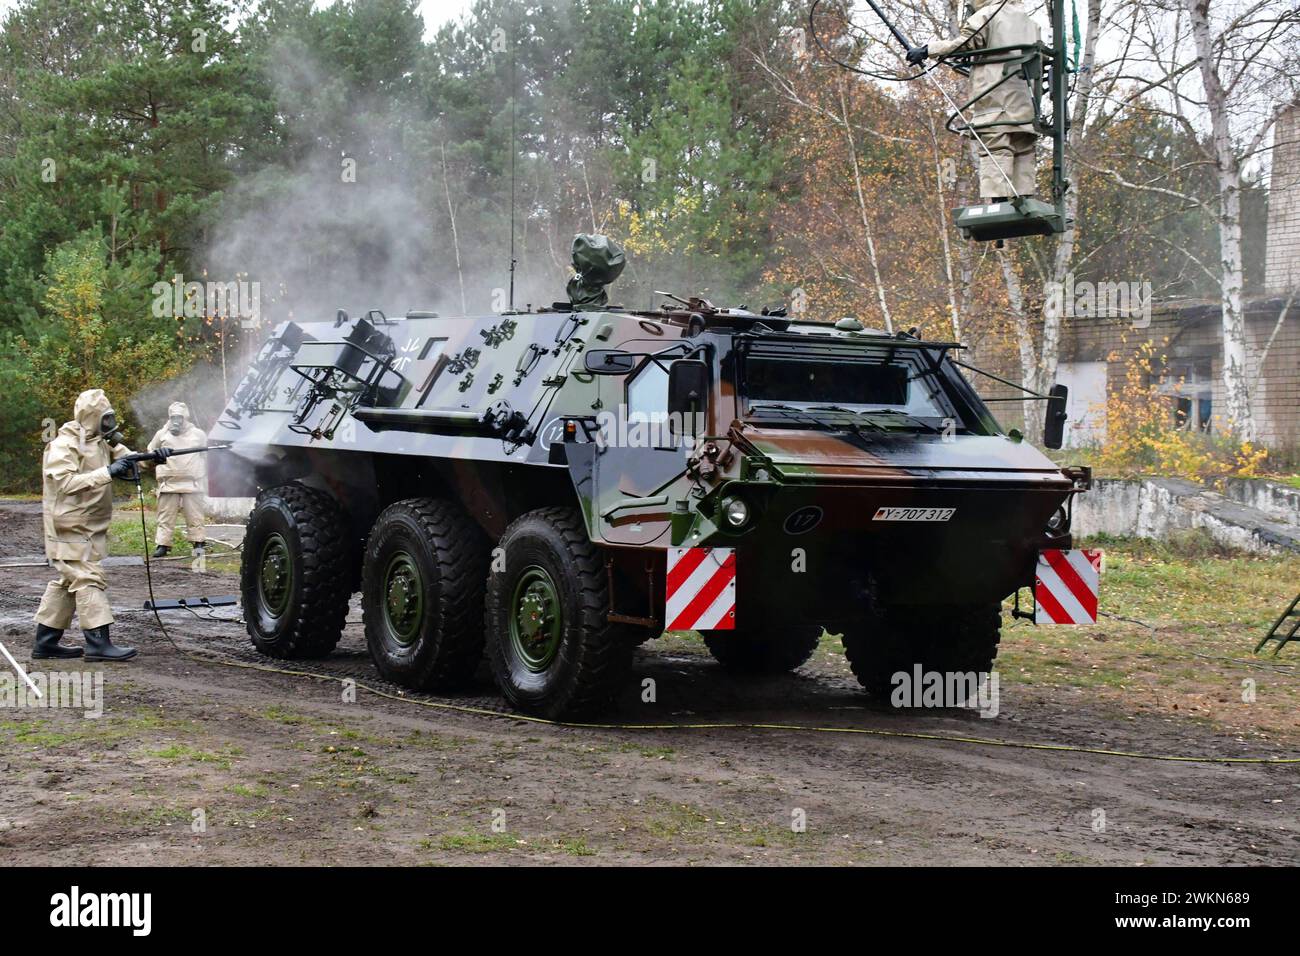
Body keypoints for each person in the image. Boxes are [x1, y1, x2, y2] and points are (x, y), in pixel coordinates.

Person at [33, 389, 169, 661]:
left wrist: (152, 458)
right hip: (68, 525)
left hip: (88, 526)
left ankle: (46, 642)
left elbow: (129, 462)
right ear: (91, 417)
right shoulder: (65, 444)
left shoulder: (99, 441)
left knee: (67, 581)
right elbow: (65, 483)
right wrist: (107, 473)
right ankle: (98, 644)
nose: (109, 424)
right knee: (88, 578)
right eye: (104, 418)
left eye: (110, 418)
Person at [908, 0, 1042, 201]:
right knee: (1022, 148)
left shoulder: (988, 14)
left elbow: (964, 43)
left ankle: (999, 202)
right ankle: (1026, 199)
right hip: (1024, 100)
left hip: (995, 98)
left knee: (995, 146)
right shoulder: (1031, 23)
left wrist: (928, 50)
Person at [147, 402, 208, 559]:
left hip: (192, 482)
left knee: (195, 515)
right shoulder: (162, 434)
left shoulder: (198, 434)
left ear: (185, 417)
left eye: (179, 417)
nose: (176, 421)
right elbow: (150, 451)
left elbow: (206, 455)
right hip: (169, 482)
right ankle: (163, 544)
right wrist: (158, 453)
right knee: (165, 516)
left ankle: (198, 542)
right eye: (173, 417)